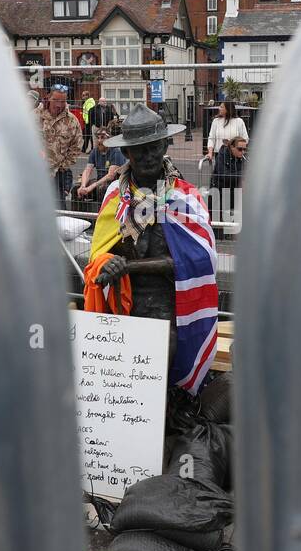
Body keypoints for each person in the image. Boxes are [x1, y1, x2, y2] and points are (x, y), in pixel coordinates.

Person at [87, 104, 219, 395]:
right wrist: (106, 263)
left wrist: (129, 266)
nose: (147, 157)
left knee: (163, 349)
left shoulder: (184, 198)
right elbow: (99, 253)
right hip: (122, 301)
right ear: (126, 154)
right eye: (138, 150)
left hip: (169, 304)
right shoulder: (115, 197)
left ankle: (161, 416)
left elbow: (198, 260)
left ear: (164, 145)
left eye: (153, 147)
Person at [38, 86, 83, 203]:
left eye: (62, 101)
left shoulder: (72, 121)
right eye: (55, 100)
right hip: (35, 172)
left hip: (58, 175)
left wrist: (63, 167)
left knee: (59, 212)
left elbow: (77, 146)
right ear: (48, 97)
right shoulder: (35, 117)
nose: (59, 105)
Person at [74, 129, 126, 204]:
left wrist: (91, 187)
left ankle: (101, 214)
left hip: (114, 184)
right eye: (97, 138)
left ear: (109, 139)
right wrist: (83, 186)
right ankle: (79, 215)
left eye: (102, 137)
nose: (99, 140)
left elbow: (110, 176)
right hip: (99, 182)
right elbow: (87, 170)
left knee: (103, 189)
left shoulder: (116, 152)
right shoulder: (95, 151)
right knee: (76, 188)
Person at [212, 136, 248, 220]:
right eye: (240, 149)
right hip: (220, 191)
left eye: (244, 149)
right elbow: (224, 175)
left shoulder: (243, 159)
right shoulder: (222, 156)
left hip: (235, 191)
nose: (242, 152)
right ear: (232, 147)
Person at [80, 87, 98, 153]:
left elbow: (90, 113)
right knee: (88, 136)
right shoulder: (86, 102)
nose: (82, 96)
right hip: (87, 122)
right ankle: (85, 149)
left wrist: (88, 121)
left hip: (89, 122)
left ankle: (91, 149)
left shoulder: (89, 103)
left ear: (87, 96)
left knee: (89, 136)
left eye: (83, 95)